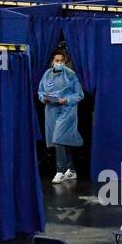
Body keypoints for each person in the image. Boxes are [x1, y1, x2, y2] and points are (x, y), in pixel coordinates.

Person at [38, 50, 84, 184]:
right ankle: (71, 170)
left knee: (58, 138)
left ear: (65, 61)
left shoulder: (70, 75)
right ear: (52, 62)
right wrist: (43, 98)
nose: (59, 63)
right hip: (51, 110)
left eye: (61, 61)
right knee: (62, 140)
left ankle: (60, 171)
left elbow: (79, 94)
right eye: (56, 61)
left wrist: (66, 99)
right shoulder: (46, 74)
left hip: (67, 110)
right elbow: (41, 91)